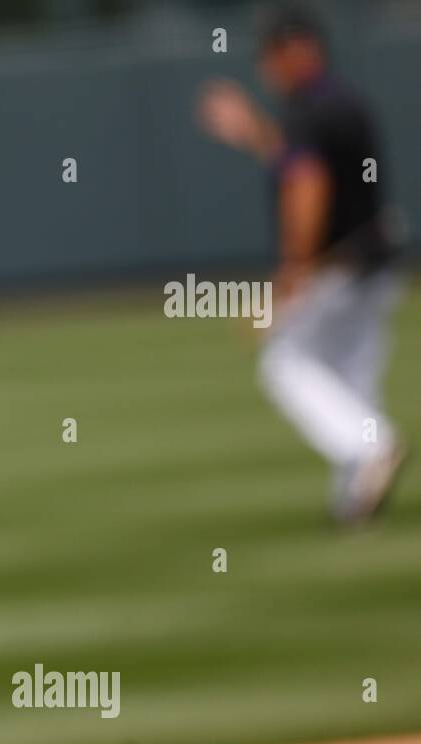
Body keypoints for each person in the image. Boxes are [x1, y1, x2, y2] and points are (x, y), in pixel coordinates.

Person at [198, 3, 407, 524]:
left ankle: (374, 449)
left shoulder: (306, 110)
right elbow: (298, 158)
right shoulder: (343, 102)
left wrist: (291, 275)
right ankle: (358, 497)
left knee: (284, 363)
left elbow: (307, 183)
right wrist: (252, 131)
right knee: (350, 378)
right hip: (377, 262)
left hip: (335, 266)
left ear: (297, 50)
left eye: (271, 53)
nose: (266, 66)